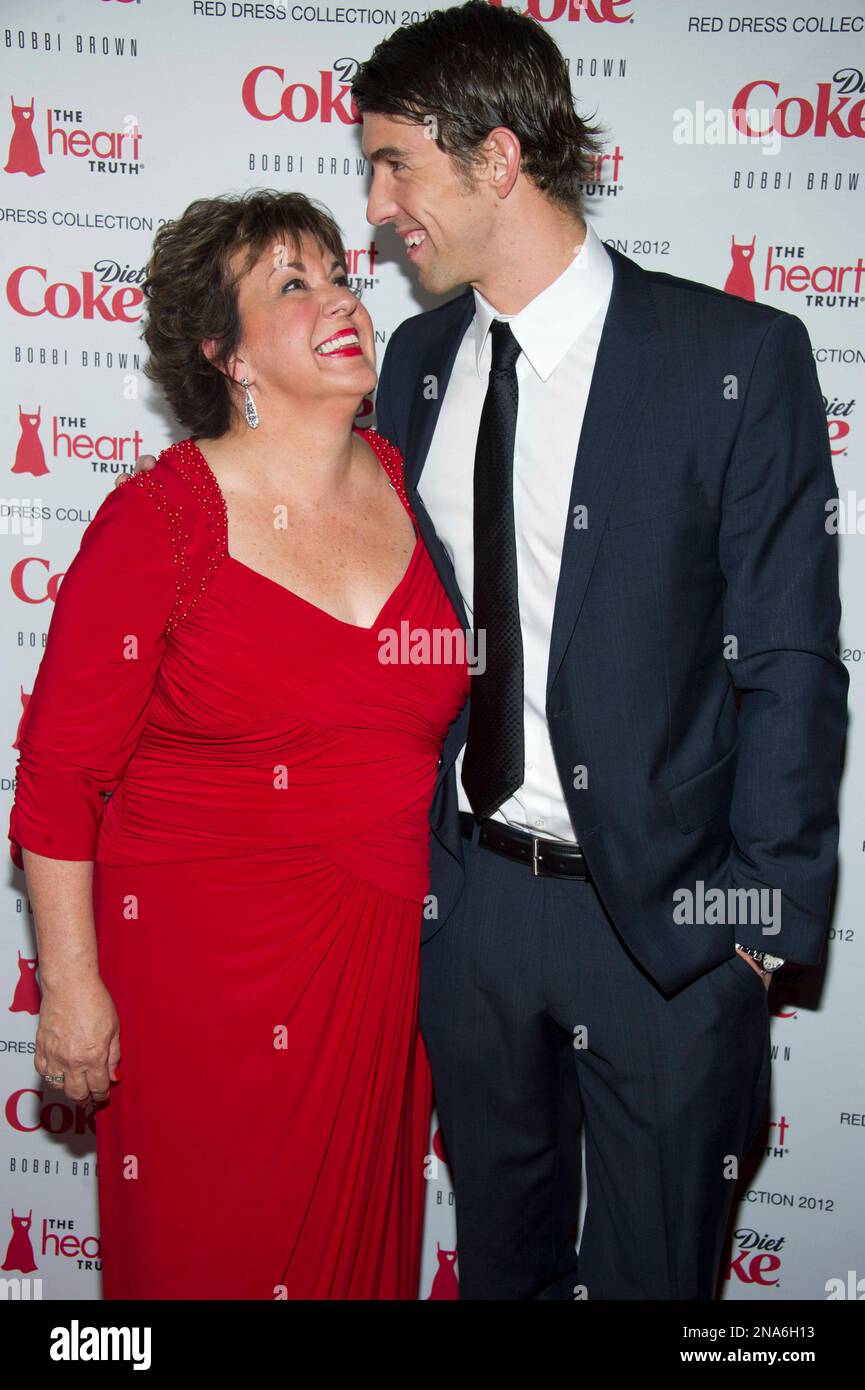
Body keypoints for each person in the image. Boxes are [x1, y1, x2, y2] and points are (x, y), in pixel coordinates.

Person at [129, 4, 847, 1301]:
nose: (379, 202)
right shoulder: (409, 363)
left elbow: (791, 662)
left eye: (397, 161)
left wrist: (754, 927)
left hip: (668, 935)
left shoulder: (733, 359)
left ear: (498, 159)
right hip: (469, 916)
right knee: (499, 1274)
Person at [9, 189, 469, 1300]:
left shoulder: (414, 488)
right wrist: (72, 986)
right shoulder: (161, 519)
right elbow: (59, 777)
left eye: (339, 275)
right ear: (226, 354)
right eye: (291, 284)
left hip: (376, 972)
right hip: (202, 977)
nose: (341, 301)